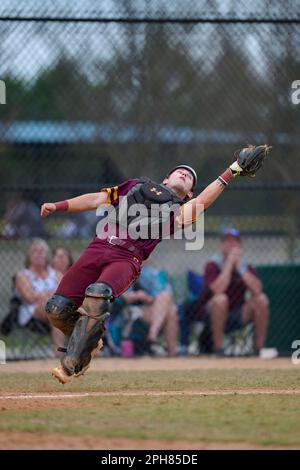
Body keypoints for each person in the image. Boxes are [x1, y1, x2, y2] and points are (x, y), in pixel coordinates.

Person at [41, 145, 270, 383]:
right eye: (180, 171)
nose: (184, 174)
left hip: (126, 259)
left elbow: (204, 201)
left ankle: (73, 363)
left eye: (190, 177)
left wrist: (231, 171)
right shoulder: (134, 186)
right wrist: (59, 206)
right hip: (97, 248)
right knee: (56, 309)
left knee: (98, 294)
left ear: (189, 193)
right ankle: (91, 338)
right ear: (165, 178)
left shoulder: (177, 211)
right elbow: (98, 198)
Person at [198, 229, 270, 356]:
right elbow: (217, 290)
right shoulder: (212, 265)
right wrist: (229, 265)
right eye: (227, 241)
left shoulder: (245, 266)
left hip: (238, 314)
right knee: (220, 299)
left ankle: (258, 350)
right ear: (221, 246)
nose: (230, 245)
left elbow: (257, 290)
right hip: (212, 315)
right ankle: (219, 350)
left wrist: (240, 270)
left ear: (239, 246)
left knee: (261, 300)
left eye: (234, 242)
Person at [15, 239, 64, 352]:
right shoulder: (23, 276)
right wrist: (53, 293)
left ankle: (86, 349)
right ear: (29, 256)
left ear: (47, 256)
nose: (39, 254)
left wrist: (42, 295)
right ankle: (60, 351)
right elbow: (30, 297)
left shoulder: (56, 274)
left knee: (63, 310)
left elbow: (63, 293)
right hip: (31, 311)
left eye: (42, 251)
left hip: (58, 308)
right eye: (35, 251)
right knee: (55, 309)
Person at [121, 264, 178, 356]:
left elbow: (166, 295)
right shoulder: (128, 270)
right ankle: (171, 352)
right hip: (137, 308)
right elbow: (124, 296)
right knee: (171, 311)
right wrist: (138, 295)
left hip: (156, 308)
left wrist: (149, 298)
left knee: (170, 308)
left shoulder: (155, 272)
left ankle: (153, 335)